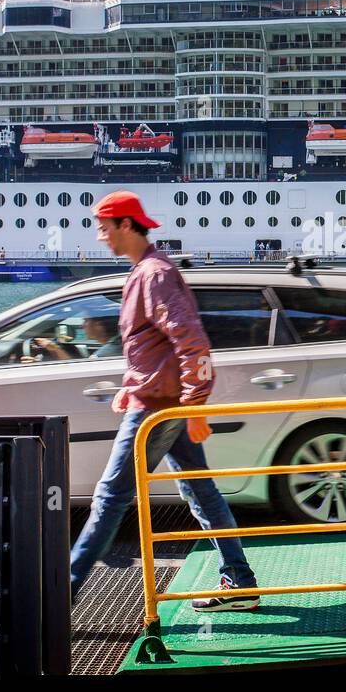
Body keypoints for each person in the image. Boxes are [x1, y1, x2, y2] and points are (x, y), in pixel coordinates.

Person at [69, 190, 258, 608]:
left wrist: (194, 405)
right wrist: (134, 384)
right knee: (200, 491)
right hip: (162, 402)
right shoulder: (149, 271)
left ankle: (63, 593)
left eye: (104, 228)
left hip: (157, 409)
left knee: (110, 498)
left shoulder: (152, 274)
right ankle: (240, 581)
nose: (101, 238)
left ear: (125, 225)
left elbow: (192, 341)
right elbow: (158, 346)